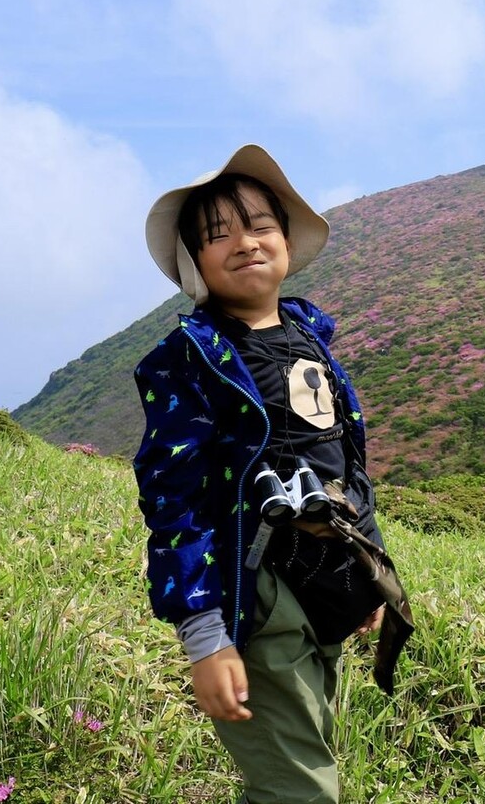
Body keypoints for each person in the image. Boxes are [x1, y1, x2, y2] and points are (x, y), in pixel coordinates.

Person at [132, 144, 410, 804]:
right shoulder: (186, 360)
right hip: (256, 596)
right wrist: (205, 638)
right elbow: (174, 503)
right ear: (192, 263)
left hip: (329, 581)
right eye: (217, 234)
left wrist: (369, 573)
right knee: (301, 791)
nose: (245, 242)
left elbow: (342, 462)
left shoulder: (311, 338)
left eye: (259, 225)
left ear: (285, 239)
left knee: (305, 764)